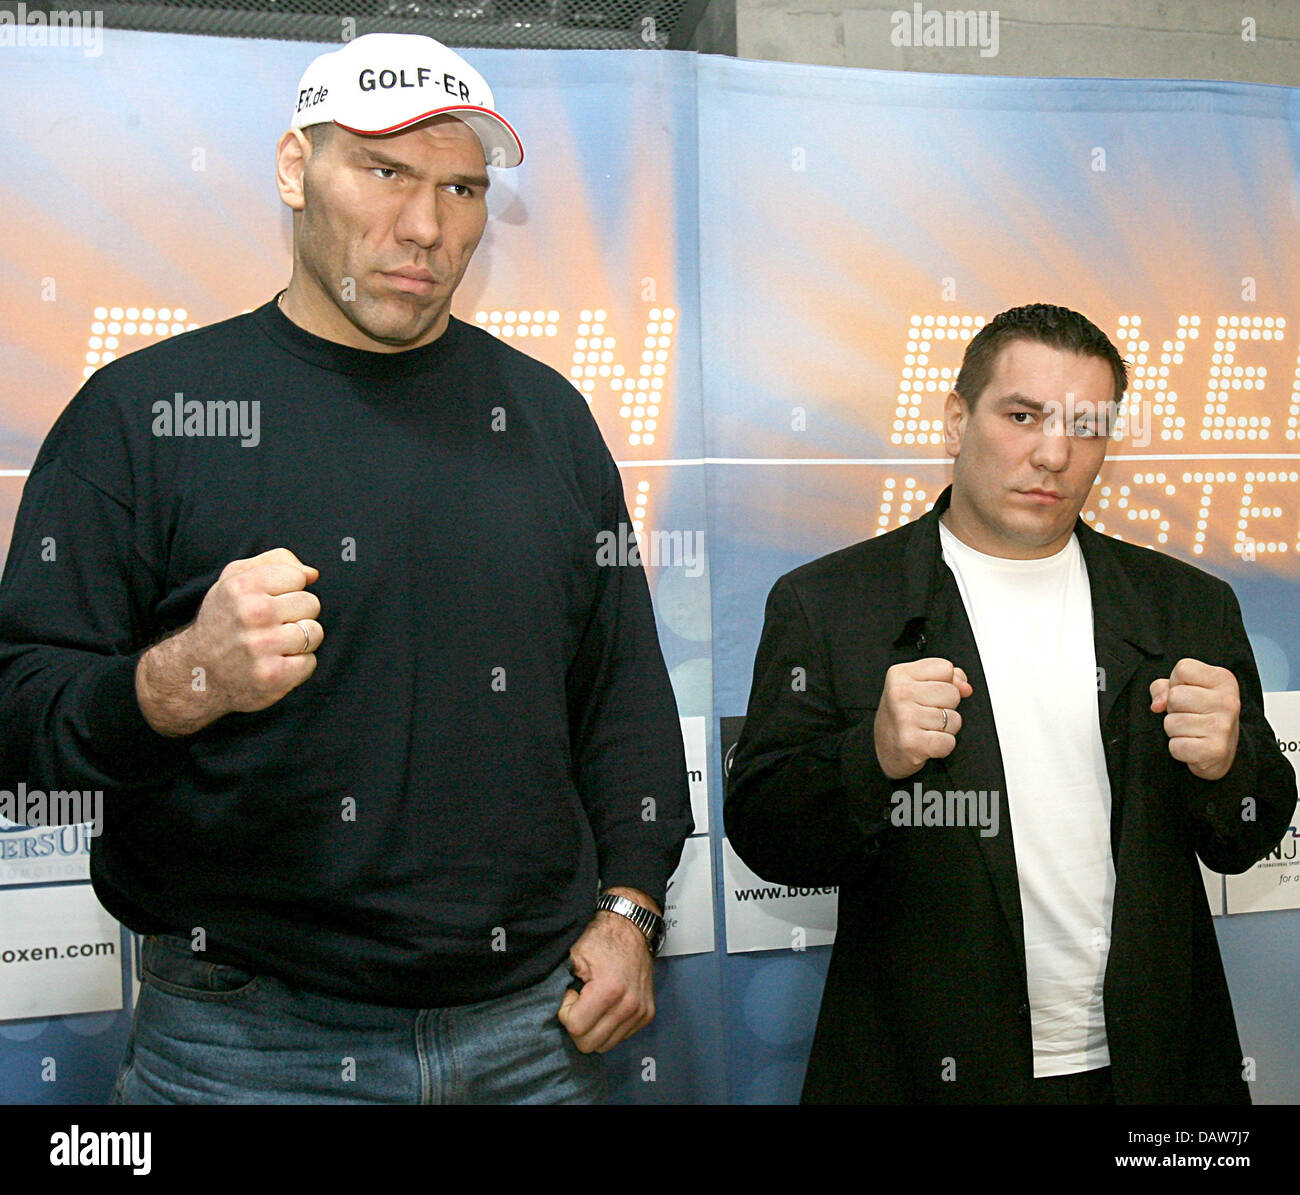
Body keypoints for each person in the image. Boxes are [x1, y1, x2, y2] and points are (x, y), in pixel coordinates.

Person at [0, 32, 691, 1104]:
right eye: (385, 172)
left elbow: (624, 705)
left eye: (462, 186)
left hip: (532, 1033)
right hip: (244, 1044)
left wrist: (632, 905)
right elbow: (20, 718)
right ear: (294, 171)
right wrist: (188, 677)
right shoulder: (144, 417)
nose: (427, 225)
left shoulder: (545, 418)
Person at [724, 304, 1295, 1105]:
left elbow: (1246, 836)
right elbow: (765, 834)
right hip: (929, 1071)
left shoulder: (1185, 608)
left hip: (1154, 1072)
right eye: (1022, 415)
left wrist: (1230, 764)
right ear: (957, 418)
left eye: (1086, 425)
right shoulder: (830, 605)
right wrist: (872, 756)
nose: (1053, 453)